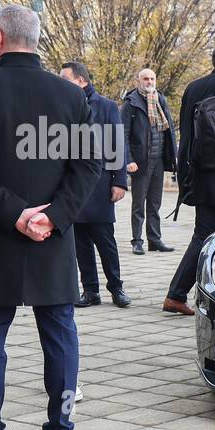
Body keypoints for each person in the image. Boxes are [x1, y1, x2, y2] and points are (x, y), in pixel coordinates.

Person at [0, 5, 100, 430]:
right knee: (60, 339)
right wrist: (53, 217)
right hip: (51, 240)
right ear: (37, 38)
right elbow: (88, 166)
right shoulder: (71, 96)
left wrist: (15, 214)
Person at [164, 41, 215, 316]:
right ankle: (176, 294)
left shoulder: (193, 86)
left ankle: (211, 289)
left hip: (196, 166)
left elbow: (186, 130)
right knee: (205, 232)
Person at [59, 61, 132, 309]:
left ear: (82, 80)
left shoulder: (107, 106)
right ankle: (90, 291)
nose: (61, 84)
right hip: (73, 185)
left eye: (65, 79)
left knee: (105, 240)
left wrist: (120, 181)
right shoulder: (64, 105)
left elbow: (117, 145)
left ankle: (116, 288)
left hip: (100, 184)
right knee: (80, 243)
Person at [120, 68, 176, 256]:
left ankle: (155, 240)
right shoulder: (131, 103)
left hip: (158, 159)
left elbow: (169, 131)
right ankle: (137, 241)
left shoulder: (160, 99)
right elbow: (123, 135)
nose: (149, 81)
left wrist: (173, 156)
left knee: (155, 203)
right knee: (138, 205)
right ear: (139, 81)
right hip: (140, 161)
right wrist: (128, 160)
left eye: (152, 78)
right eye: (145, 78)